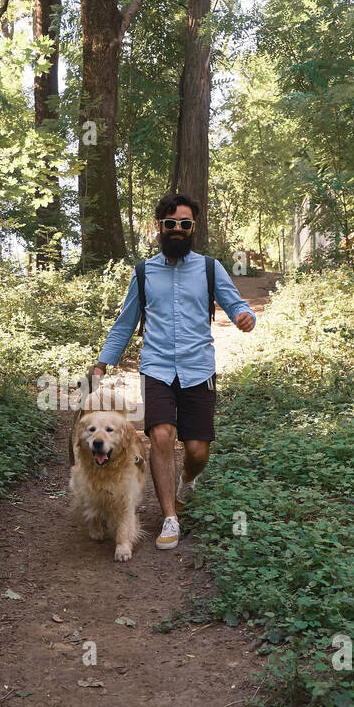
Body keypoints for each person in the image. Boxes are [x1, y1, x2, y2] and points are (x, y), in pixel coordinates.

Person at [90, 192, 255, 550]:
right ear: (160, 227)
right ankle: (170, 516)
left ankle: (187, 481)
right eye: (170, 223)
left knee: (198, 451)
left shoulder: (210, 268)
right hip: (158, 367)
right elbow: (125, 323)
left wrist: (246, 317)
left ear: (193, 227)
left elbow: (237, 304)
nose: (177, 229)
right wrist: (102, 363)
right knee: (161, 435)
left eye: (184, 224)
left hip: (199, 368)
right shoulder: (144, 272)